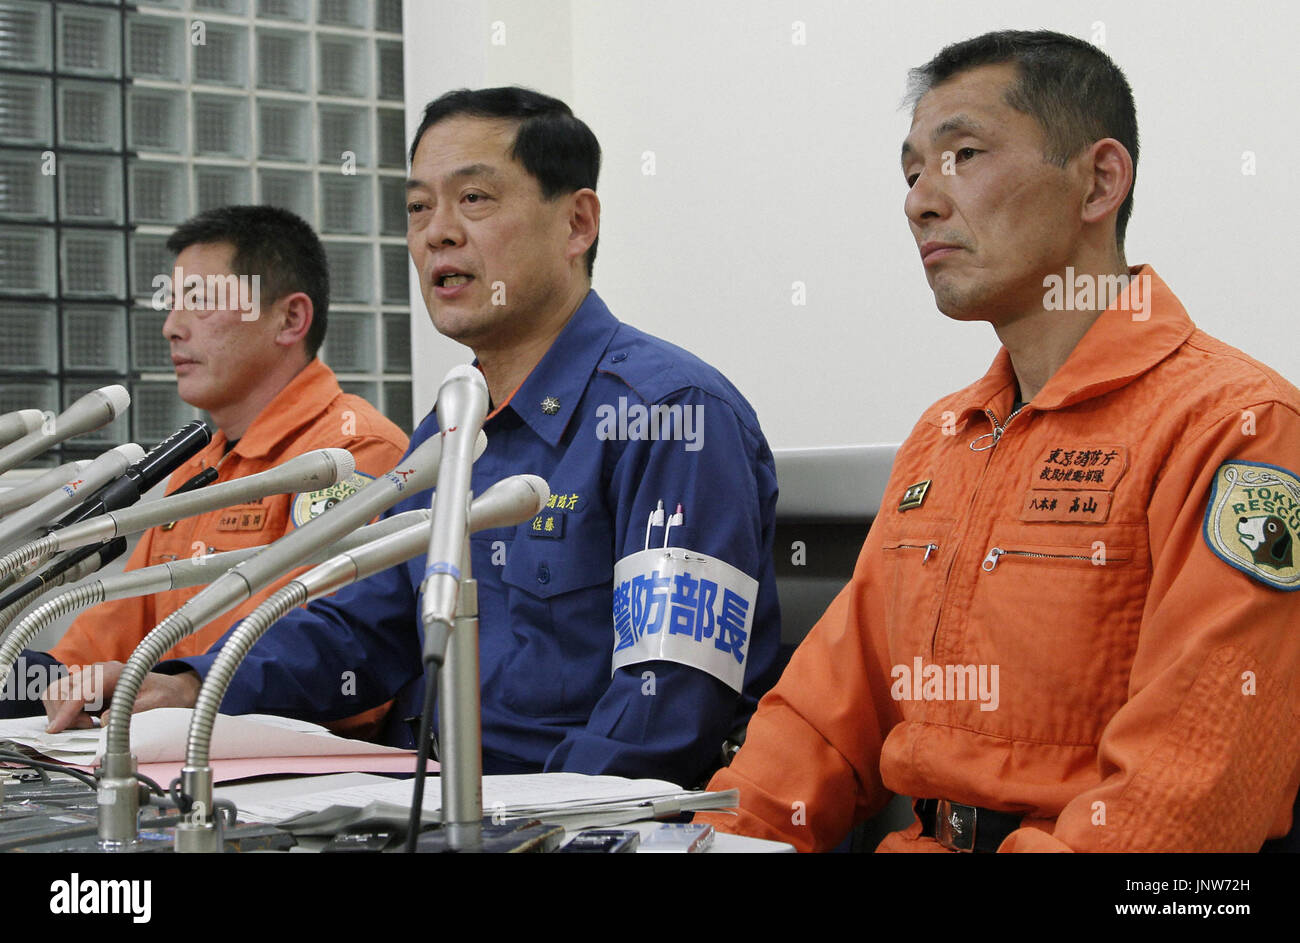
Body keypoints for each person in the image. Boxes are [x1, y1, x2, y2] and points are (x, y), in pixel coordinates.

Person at [49, 88, 783, 788]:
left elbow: (669, 705)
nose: (437, 232)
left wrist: (527, 822)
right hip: (424, 799)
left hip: (562, 814)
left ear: (577, 224)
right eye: (418, 207)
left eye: (474, 198)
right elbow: (357, 630)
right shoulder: (451, 430)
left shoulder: (670, 415)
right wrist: (190, 684)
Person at [700, 30, 1300, 851]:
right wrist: (714, 839)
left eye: (964, 155)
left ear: (1099, 181)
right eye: (911, 172)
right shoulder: (946, 436)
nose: (919, 200)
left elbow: (1185, 797)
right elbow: (819, 719)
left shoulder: (1238, 426)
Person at [21, 206, 408, 728]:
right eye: (172, 303)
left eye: (200, 302)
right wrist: (29, 681)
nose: (171, 328)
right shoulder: (197, 469)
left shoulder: (351, 455)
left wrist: (184, 685)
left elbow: (326, 651)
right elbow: (107, 637)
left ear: (290, 319)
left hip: (291, 781)